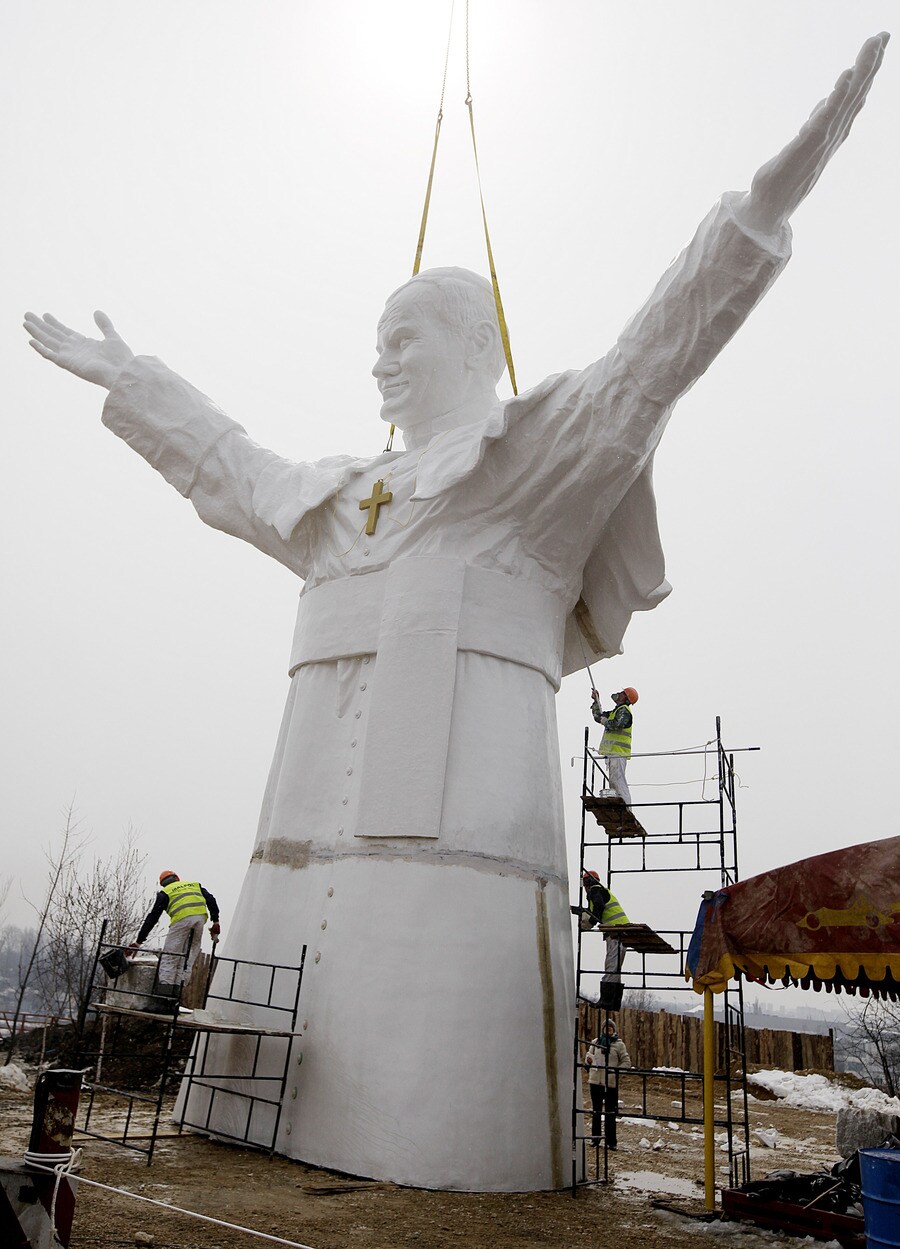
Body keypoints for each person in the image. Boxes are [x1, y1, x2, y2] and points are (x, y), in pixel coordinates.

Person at [22, 36, 888, 1191]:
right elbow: (228, 465)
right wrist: (133, 379)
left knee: (424, 1095)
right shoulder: (338, 504)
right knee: (256, 1047)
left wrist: (756, 214)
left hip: (460, 846)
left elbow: (646, 365)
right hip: (293, 842)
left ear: (477, 347)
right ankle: (247, 1114)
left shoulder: (524, 476)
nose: (380, 361)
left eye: (405, 338)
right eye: (375, 339)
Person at [133, 870, 220, 1001]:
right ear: (177, 878)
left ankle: (164, 998)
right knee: (187, 959)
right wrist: (216, 921)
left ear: (163, 884)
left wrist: (139, 942)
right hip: (200, 919)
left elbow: (153, 917)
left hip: (181, 921)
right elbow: (211, 900)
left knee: (170, 957)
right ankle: (176, 996)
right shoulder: (195, 885)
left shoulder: (166, 892)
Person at [580, 869, 630, 1009]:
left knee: (612, 965)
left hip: (616, 931)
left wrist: (590, 922)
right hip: (619, 931)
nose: (584, 888)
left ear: (588, 882)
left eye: (584, 884)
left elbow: (599, 908)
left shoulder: (595, 891)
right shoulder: (601, 891)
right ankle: (613, 1002)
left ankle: (607, 1001)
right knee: (615, 966)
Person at [584, 1018, 632, 1148]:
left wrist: (615, 1072)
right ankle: (595, 1138)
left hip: (610, 1083)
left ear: (614, 1030)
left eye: (610, 1028)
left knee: (610, 1112)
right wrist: (588, 1061)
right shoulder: (596, 1042)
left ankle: (611, 1142)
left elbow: (626, 1062)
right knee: (596, 1111)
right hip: (595, 1081)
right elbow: (587, 1058)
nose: (608, 1030)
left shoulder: (619, 1045)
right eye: (606, 1028)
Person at [591, 687, 638, 804]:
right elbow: (599, 716)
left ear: (626, 698)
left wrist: (605, 722)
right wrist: (596, 701)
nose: (619, 694)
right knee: (614, 781)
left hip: (618, 753)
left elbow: (617, 724)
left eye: (623, 693)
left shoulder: (624, 711)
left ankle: (625, 806)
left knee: (618, 781)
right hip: (613, 753)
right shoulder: (616, 711)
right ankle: (618, 804)